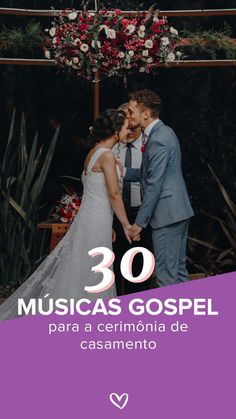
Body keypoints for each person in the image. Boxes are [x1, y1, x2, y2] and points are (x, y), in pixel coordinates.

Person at [0, 109, 133, 320]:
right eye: (127, 127)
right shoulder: (106, 155)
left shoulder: (94, 152)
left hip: (91, 218)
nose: (129, 130)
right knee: (94, 270)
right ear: (116, 131)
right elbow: (113, 194)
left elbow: (96, 192)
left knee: (84, 267)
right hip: (96, 219)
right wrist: (125, 224)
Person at [124, 89, 194, 287]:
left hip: (166, 215)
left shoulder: (158, 138)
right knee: (179, 274)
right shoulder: (163, 132)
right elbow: (155, 175)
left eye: (131, 111)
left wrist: (139, 223)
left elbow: (155, 183)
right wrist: (121, 173)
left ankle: (173, 319)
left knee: (166, 277)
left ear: (145, 113)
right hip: (176, 212)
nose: (128, 116)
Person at [113, 105, 153, 295]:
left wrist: (127, 173)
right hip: (115, 213)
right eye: (125, 126)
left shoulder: (150, 145)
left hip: (140, 213)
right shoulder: (110, 146)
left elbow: (153, 177)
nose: (128, 131)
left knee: (139, 268)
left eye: (132, 127)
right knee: (114, 266)